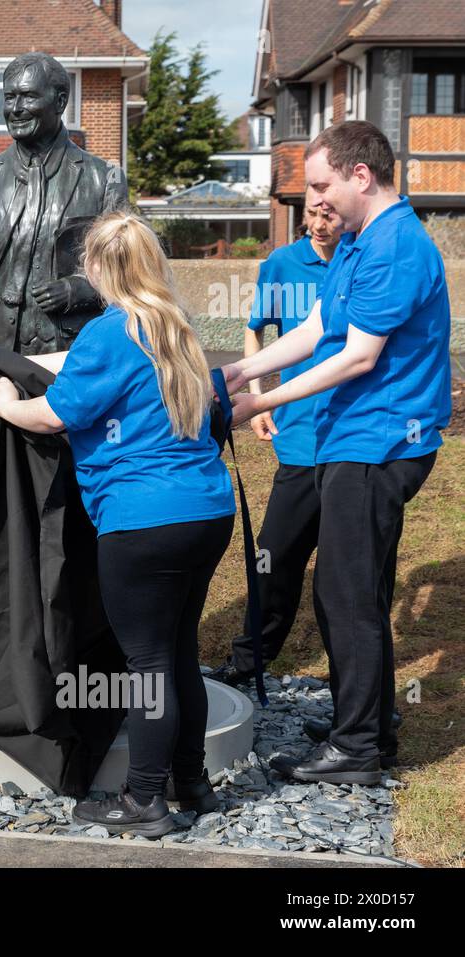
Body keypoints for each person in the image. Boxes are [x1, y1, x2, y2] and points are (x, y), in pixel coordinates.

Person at [0, 211, 234, 837]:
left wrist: (7, 404)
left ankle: (144, 801)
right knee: (178, 652)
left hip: (141, 518)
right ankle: (192, 782)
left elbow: (55, 415)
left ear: (95, 269)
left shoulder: (107, 333)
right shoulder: (178, 328)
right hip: (206, 511)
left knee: (146, 663)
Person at [221, 121, 451, 785]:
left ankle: (355, 750)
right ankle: (372, 724)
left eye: (320, 183)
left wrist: (260, 404)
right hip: (354, 438)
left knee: (344, 592)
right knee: (361, 590)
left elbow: (358, 354)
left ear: (361, 176)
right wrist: (240, 375)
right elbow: (320, 327)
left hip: (381, 442)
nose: (313, 198)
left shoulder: (397, 245)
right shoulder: (358, 240)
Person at [208, 198, 339, 688]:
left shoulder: (358, 259)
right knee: (275, 555)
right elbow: (255, 332)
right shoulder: (283, 264)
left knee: (346, 571)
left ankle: (354, 685)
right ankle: (250, 661)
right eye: (312, 214)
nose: (320, 225)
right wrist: (258, 400)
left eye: (329, 215)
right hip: (301, 434)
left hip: (354, 437)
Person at [0, 51, 128, 355]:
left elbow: (128, 271)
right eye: (9, 97)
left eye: (28, 97)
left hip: (73, 355)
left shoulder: (105, 179)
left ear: (60, 101)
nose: (15, 109)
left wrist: (77, 289)